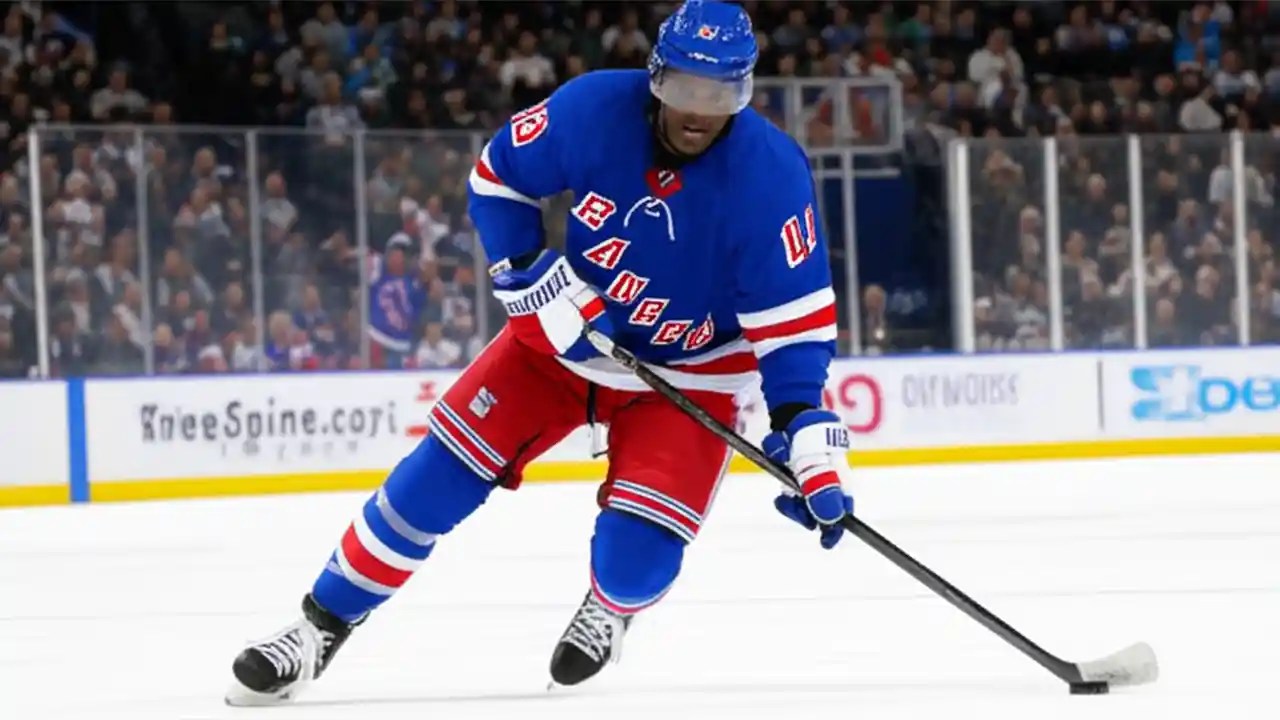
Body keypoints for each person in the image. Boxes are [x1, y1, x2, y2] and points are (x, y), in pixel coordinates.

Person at [225, 0, 854, 705]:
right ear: (655, 77)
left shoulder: (771, 177)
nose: (699, 112)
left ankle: (611, 608)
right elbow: (497, 182)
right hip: (562, 338)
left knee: (633, 569)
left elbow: (792, 331)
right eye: (684, 89)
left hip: (691, 372)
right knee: (428, 486)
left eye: (719, 95)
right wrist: (524, 270)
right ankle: (317, 627)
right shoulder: (591, 108)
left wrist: (805, 434)